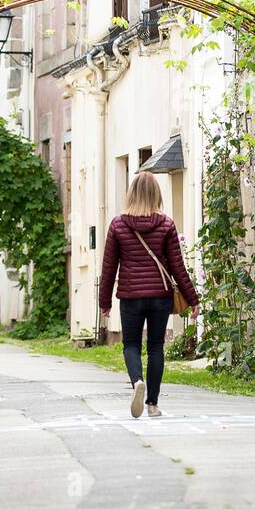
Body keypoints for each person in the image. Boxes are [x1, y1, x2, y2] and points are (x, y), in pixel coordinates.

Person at [98, 172, 200, 418]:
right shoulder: (166, 225)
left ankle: (137, 383)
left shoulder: (118, 225)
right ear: (156, 195)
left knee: (131, 345)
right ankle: (152, 404)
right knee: (156, 347)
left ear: (131, 193)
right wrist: (193, 299)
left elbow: (109, 266)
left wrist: (105, 302)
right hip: (159, 297)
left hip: (131, 296)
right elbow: (177, 266)